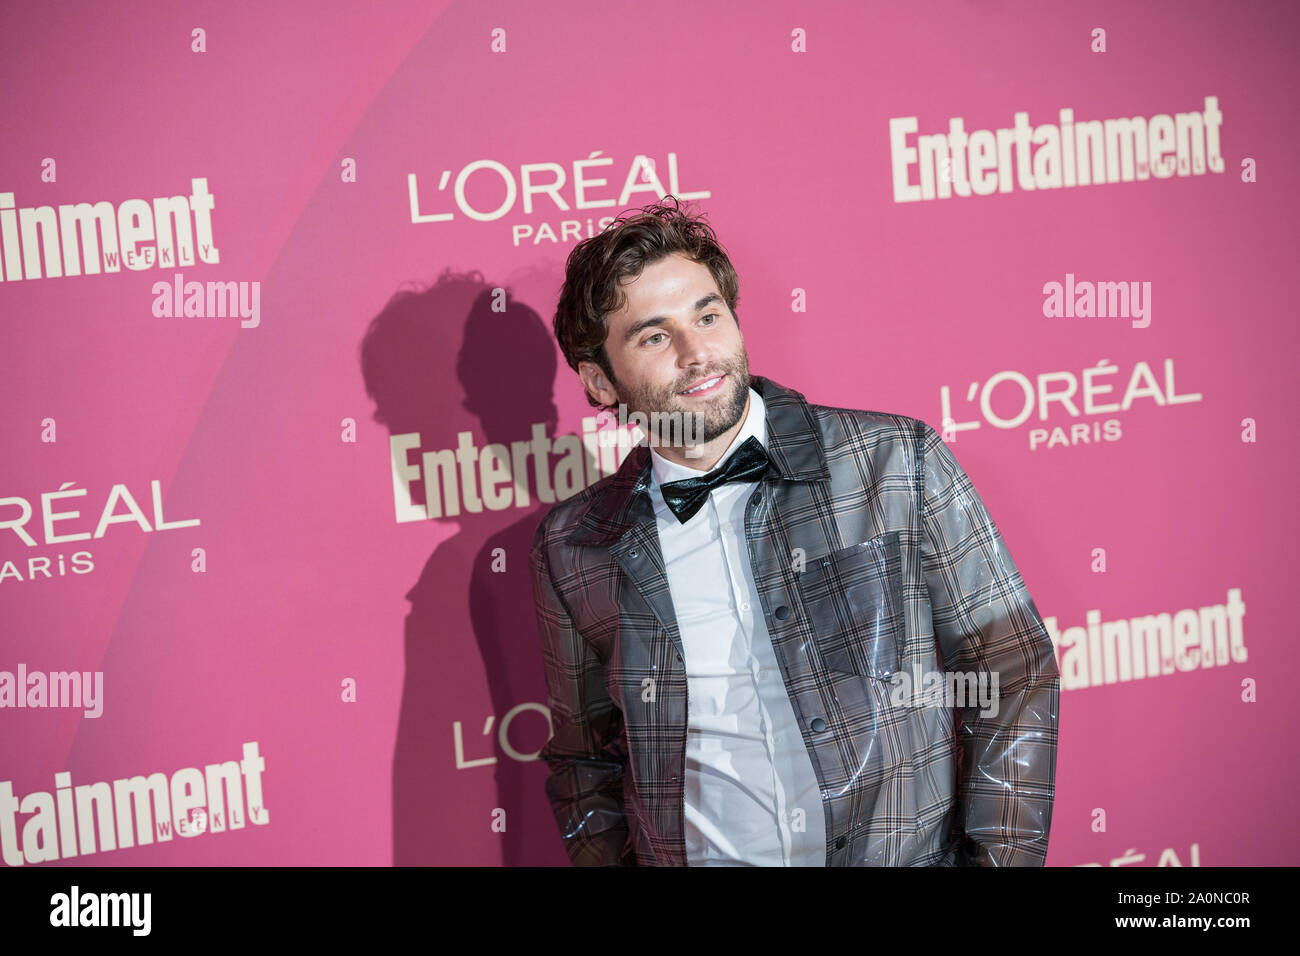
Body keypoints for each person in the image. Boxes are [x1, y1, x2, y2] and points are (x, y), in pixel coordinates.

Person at [529, 196, 1059, 866]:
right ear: (600, 381)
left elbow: (1011, 672)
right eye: (654, 336)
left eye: (708, 315)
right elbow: (583, 759)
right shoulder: (576, 546)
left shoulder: (895, 463)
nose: (698, 353)